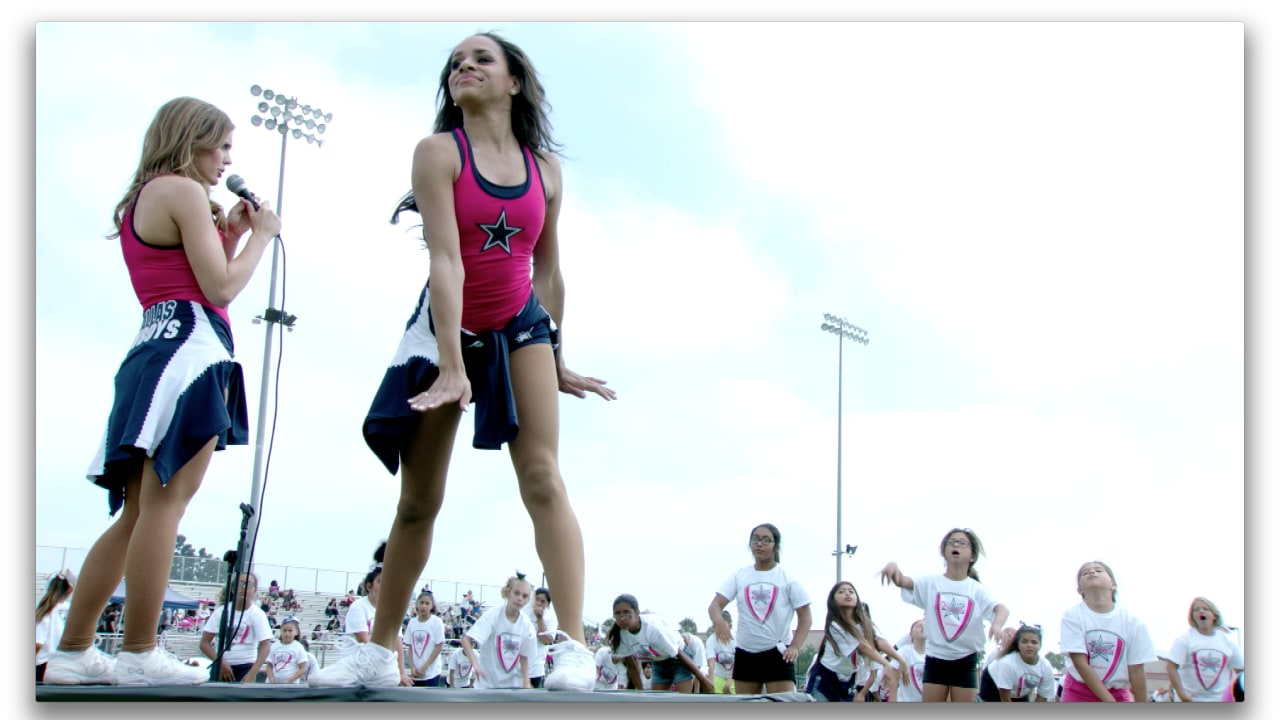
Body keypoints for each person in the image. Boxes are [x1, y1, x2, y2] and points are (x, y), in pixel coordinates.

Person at [308, 31, 614, 693]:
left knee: (543, 477)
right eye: (455, 62)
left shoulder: (547, 170)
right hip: (445, 327)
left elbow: (550, 270)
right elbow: (444, 262)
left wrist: (557, 355)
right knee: (419, 503)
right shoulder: (438, 153)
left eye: (482, 59)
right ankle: (378, 652)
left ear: (513, 82)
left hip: (521, 328)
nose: (464, 67)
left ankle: (573, 646)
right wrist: (452, 364)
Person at [42, 97, 279, 687]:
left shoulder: (148, 196)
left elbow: (183, 273)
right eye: (221, 145)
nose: (227, 159)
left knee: (137, 514)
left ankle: (73, 651)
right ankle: (140, 651)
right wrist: (261, 239)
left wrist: (226, 234)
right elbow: (220, 288)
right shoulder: (183, 191)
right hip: (190, 350)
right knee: (165, 508)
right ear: (191, 138)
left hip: (153, 348)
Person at [879, 527, 1009, 702]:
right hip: (936, 659)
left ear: (972, 556)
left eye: (963, 543)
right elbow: (904, 581)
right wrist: (893, 569)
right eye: (952, 542)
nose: (956, 545)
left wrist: (997, 624)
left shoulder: (976, 589)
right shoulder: (931, 583)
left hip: (965, 660)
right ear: (944, 552)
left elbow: (1001, 609)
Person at [708, 523, 813, 695]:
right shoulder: (739, 575)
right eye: (755, 539)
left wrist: (794, 646)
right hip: (746, 653)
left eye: (766, 540)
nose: (759, 544)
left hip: (778, 653)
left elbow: (805, 617)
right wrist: (718, 621)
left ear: (776, 547)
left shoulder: (787, 577)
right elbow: (715, 605)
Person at [1058, 561, 1156, 702]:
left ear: (1113, 585)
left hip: (1118, 693)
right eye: (1085, 573)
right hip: (1078, 692)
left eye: (1098, 570)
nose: (1092, 572)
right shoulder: (1073, 615)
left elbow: (1136, 671)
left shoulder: (1133, 621)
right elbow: (1080, 663)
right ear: (1079, 590)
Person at [802, 581, 898, 702]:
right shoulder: (835, 626)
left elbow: (879, 641)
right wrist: (886, 663)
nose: (847, 593)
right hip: (826, 678)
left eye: (851, 591)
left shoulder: (866, 627)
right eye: (841, 592)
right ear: (833, 601)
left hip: (847, 680)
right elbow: (862, 647)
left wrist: (900, 660)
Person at [608, 595, 714, 694]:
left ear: (637, 613)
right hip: (659, 664)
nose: (622, 618)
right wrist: (640, 693)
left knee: (682, 702)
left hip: (680, 661)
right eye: (617, 614)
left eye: (627, 613)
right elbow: (632, 667)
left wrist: (702, 679)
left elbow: (678, 653)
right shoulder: (621, 635)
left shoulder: (653, 629)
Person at [340, 543, 412, 686]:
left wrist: (401, 673)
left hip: (382, 670)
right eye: (380, 582)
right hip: (359, 671)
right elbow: (365, 643)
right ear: (369, 586)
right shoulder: (358, 607)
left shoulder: (392, 610)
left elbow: (397, 641)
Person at [460, 574, 538, 689]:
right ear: (507, 593)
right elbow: (466, 640)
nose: (520, 598)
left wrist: (526, 682)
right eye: (516, 593)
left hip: (513, 687)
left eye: (525, 596)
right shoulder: (493, 616)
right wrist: (475, 664)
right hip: (488, 685)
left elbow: (524, 656)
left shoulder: (526, 624)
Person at [1161, 596, 1244, 702]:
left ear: (1214, 615)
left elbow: (1240, 670)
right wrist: (1182, 695)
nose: (1201, 611)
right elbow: (1171, 667)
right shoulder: (1184, 639)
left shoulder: (1228, 642)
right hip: (1190, 700)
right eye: (1196, 609)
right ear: (1192, 616)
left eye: (1205, 609)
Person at [199, 572, 273, 683]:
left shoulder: (257, 614)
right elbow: (204, 643)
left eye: (248, 585)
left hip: (246, 667)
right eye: (240, 584)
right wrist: (221, 663)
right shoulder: (221, 612)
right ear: (233, 589)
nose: (244, 588)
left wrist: (252, 673)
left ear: (254, 590)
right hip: (220, 667)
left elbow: (265, 645)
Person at [983, 624, 1055, 702]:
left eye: (1034, 642)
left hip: (1018, 692)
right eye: (1024, 642)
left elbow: (1042, 697)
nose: (1029, 645)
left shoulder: (1046, 667)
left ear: (1040, 645)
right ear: (1018, 644)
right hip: (993, 685)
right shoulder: (1008, 664)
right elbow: (1005, 698)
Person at [36, 570, 77, 682]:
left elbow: (38, 643)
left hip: (42, 665)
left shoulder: (44, 612)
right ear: (70, 590)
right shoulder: (72, 611)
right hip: (64, 665)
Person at [404, 590, 447, 687]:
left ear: (432, 606)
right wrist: (412, 666)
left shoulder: (437, 622)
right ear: (417, 604)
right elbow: (410, 647)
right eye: (421, 603)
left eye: (427, 603)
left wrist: (425, 667)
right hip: (416, 673)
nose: (424, 606)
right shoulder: (412, 623)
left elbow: (438, 646)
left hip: (432, 673)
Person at [524, 586, 557, 688]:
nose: (538, 603)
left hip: (535, 669)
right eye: (537, 599)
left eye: (542, 601)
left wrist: (539, 618)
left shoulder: (551, 617)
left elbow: (546, 640)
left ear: (547, 604)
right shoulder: (525, 611)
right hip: (518, 667)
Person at [891, 618, 928, 702]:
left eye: (925, 626)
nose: (923, 628)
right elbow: (893, 679)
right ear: (911, 634)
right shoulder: (904, 652)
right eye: (919, 626)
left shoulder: (933, 653)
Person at [264, 618, 309, 684]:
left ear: (296, 632)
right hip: (273, 683)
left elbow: (302, 668)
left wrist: (289, 680)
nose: (287, 634)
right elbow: (269, 665)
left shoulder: (298, 647)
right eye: (284, 631)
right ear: (280, 631)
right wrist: (270, 677)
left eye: (290, 631)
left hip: (290, 685)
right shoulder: (274, 646)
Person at [704, 610, 736, 694]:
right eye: (716, 627)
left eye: (723, 627)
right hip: (718, 677)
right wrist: (711, 684)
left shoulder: (737, 639)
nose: (719, 630)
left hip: (735, 677)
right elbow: (711, 665)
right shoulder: (711, 640)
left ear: (730, 626)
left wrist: (728, 684)